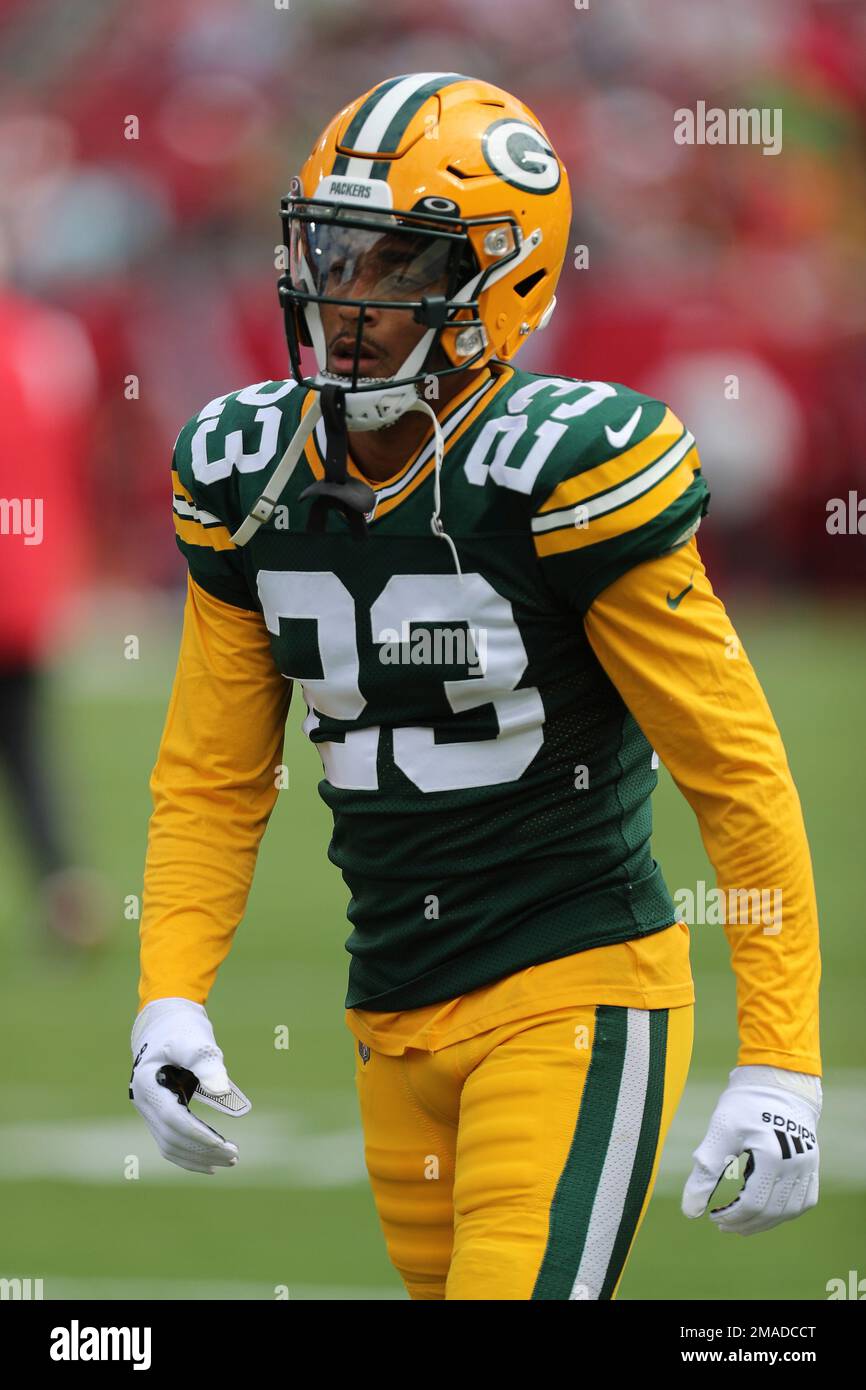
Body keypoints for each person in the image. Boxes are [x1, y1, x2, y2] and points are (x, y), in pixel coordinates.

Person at [129, 73, 822, 1301]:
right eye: (332, 248)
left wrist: (780, 1061)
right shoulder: (246, 469)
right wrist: (169, 992)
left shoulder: (563, 470)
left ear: (493, 286)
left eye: (398, 265)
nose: (346, 296)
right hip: (388, 1005)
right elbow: (214, 773)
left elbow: (732, 769)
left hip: (573, 986)